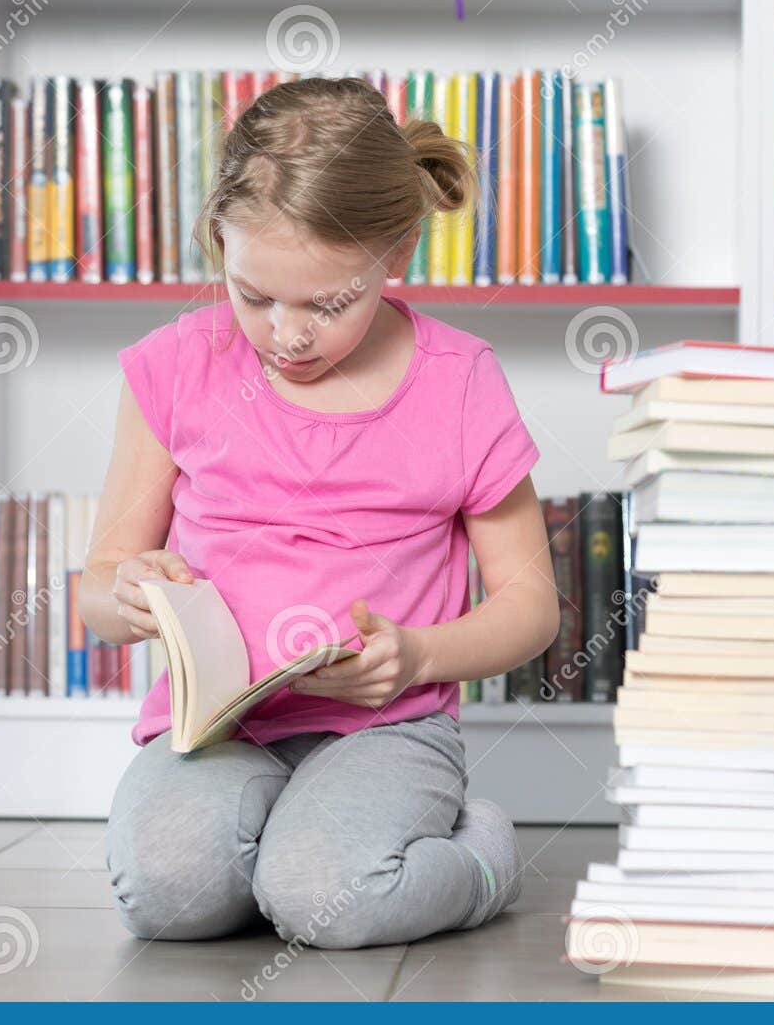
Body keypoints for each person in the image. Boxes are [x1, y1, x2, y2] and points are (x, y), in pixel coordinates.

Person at [81, 76, 559, 949]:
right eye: (253, 295)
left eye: (328, 303)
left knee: (324, 897)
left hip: (387, 727)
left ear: (398, 251)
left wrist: (419, 655)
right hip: (220, 727)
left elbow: (532, 607)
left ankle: (480, 855)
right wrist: (127, 592)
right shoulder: (176, 368)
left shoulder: (458, 382)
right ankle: (286, 840)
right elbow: (98, 586)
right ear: (218, 241)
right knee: (165, 894)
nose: (287, 334)